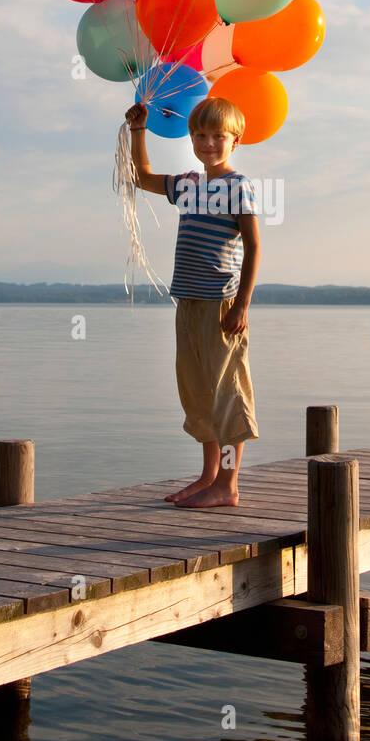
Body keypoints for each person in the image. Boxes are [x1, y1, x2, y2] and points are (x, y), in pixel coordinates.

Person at [124, 95, 260, 508]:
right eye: (200, 135)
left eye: (218, 135)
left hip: (221, 306)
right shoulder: (188, 184)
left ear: (235, 140)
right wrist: (137, 130)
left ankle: (228, 486)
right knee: (198, 393)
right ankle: (208, 476)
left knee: (227, 395)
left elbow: (253, 247)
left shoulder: (238, 186)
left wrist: (241, 305)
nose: (208, 143)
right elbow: (140, 175)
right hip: (187, 302)